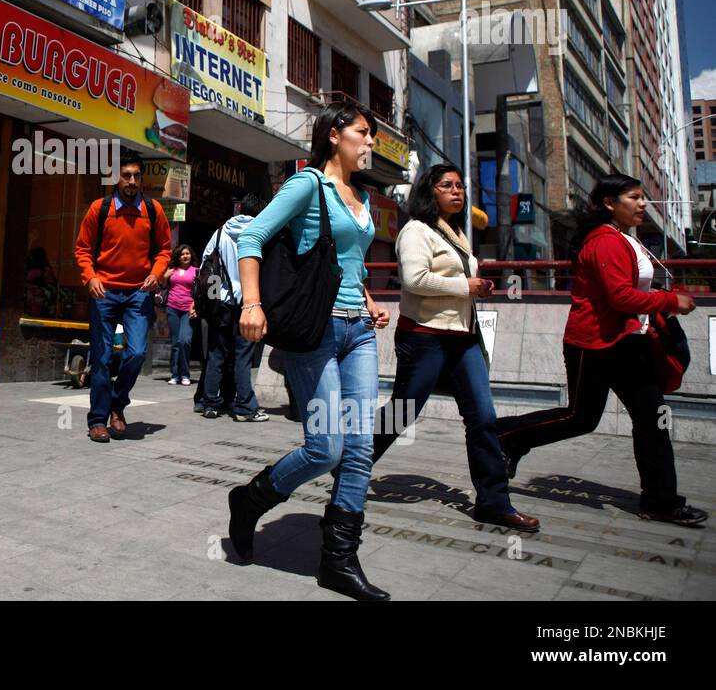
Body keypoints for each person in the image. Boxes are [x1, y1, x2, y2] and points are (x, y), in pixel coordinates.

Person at [229, 101, 391, 601]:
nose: (370, 143)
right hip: (314, 331)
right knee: (327, 448)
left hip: (357, 331)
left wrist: (367, 298)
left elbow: (348, 261)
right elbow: (252, 235)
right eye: (364, 133)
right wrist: (251, 304)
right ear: (336, 134)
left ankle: (337, 561)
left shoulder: (362, 194)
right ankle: (250, 500)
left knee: (360, 448)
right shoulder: (307, 185)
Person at [496, 173, 706, 527]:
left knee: (652, 419)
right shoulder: (605, 242)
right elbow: (620, 296)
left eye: (643, 198)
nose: (642, 204)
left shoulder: (623, 239)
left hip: (628, 344)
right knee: (581, 418)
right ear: (610, 203)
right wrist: (671, 301)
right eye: (634, 197)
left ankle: (660, 501)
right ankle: (507, 435)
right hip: (592, 345)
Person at [370, 164, 540, 532]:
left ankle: (494, 502)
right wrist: (466, 285)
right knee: (401, 414)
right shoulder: (415, 231)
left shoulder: (457, 232)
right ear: (429, 191)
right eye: (446, 185)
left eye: (460, 185)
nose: (456, 191)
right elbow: (414, 280)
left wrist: (472, 288)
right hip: (425, 337)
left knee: (483, 418)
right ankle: (351, 467)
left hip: (464, 339)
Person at [74, 151, 172, 443]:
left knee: (138, 353)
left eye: (136, 176)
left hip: (138, 292)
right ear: (116, 176)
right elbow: (82, 249)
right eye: (126, 175)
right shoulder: (99, 208)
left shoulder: (153, 210)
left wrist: (156, 272)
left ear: (142, 178)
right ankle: (97, 421)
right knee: (103, 358)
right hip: (104, 291)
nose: (131, 181)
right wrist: (89, 276)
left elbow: (165, 250)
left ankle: (117, 403)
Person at [199, 195, 269, 421]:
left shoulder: (219, 233)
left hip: (221, 304)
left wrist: (214, 300)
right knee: (243, 356)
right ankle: (245, 407)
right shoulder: (260, 235)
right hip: (248, 304)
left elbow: (206, 267)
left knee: (216, 354)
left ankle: (209, 403)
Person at [162, 245, 197, 386]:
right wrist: (165, 277)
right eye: (182, 254)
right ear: (178, 256)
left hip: (188, 309)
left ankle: (185, 374)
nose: (185, 256)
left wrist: (195, 307)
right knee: (176, 343)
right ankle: (175, 375)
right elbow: (163, 287)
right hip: (172, 308)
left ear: (191, 255)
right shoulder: (172, 270)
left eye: (187, 253)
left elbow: (199, 291)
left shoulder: (197, 271)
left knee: (185, 341)